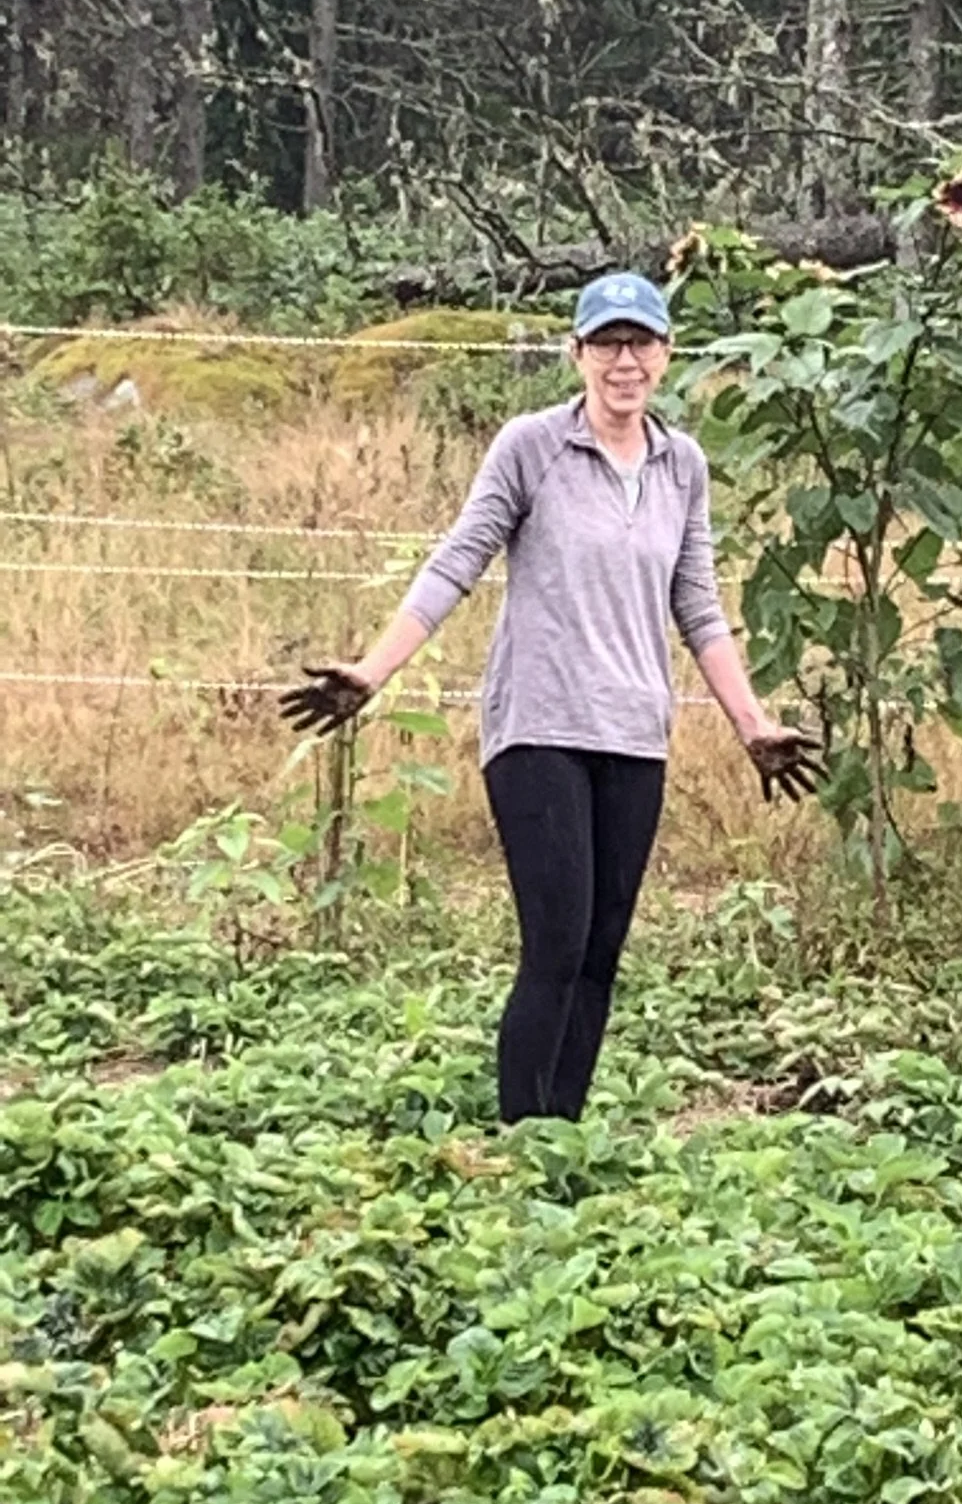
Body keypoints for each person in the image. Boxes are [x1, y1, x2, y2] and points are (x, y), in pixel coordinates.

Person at [279, 270, 822, 1127]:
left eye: (640, 342)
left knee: (602, 951)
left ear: (666, 355)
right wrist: (372, 672)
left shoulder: (683, 466)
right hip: (539, 727)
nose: (624, 361)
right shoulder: (531, 446)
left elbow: (699, 605)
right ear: (576, 353)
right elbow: (458, 560)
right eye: (605, 343)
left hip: (636, 732)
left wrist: (752, 725)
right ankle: (520, 1141)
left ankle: (560, 1139)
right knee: (558, 942)